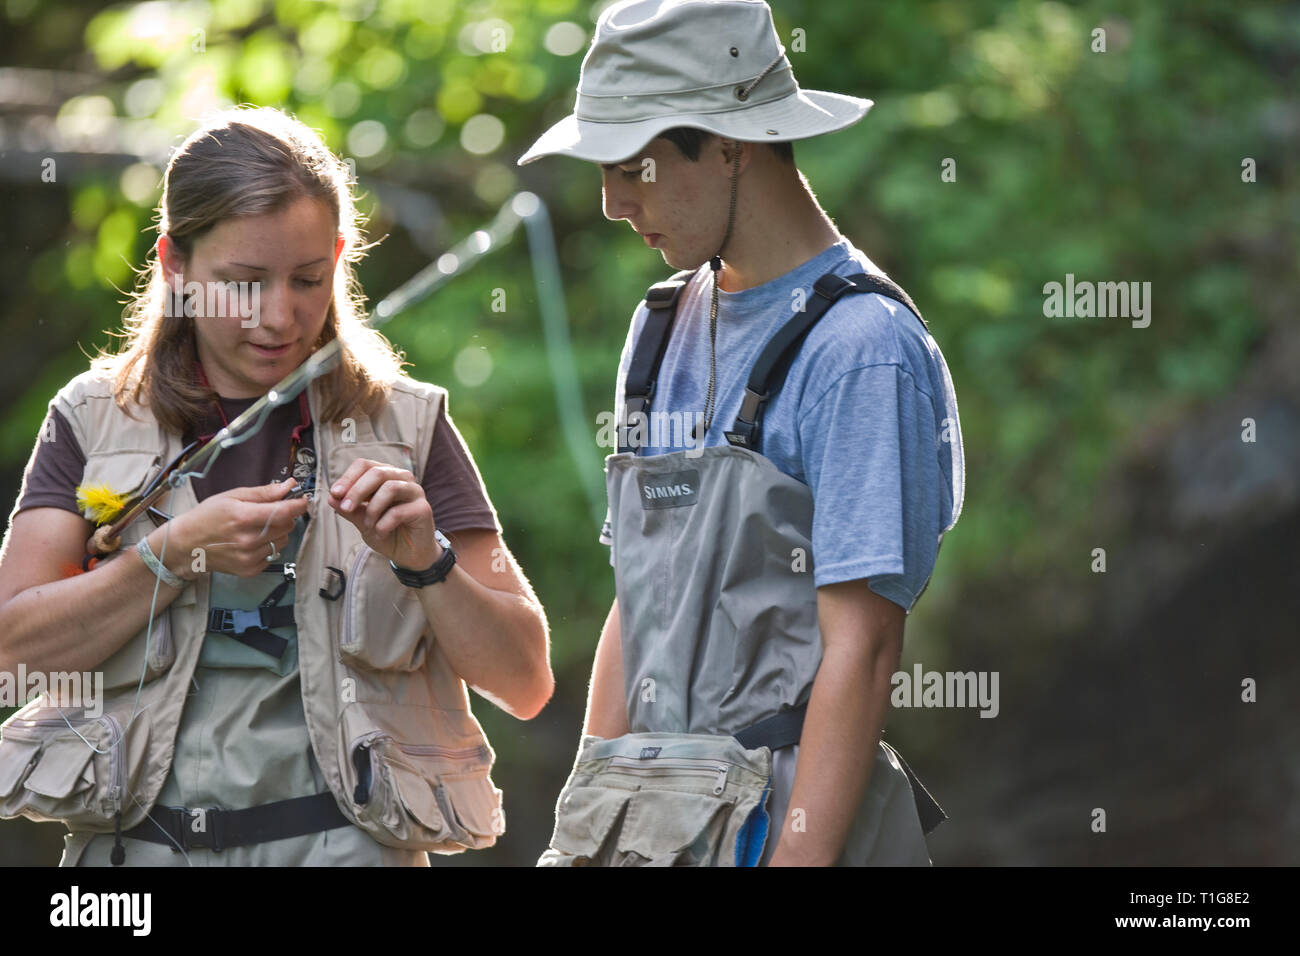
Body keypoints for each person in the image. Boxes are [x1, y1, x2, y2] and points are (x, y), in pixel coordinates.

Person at [0, 107, 552, 866]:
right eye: (243, 283)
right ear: (174, 266)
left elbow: (525, 684)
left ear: (339, 259)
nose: (280, 317)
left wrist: (427, 562)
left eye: (308, 279)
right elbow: (10, 656)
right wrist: (169, 556)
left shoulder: (408, 425)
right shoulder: (91, 419)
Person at [519, 0, 964, 866]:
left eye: (635, 167)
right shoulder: (659, 329)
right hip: (653, 823)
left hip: (794, 822)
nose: (611, 204)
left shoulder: (863, 352)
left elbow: (863, 652)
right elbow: (637, 607)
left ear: (730, 146)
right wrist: (579, 839)